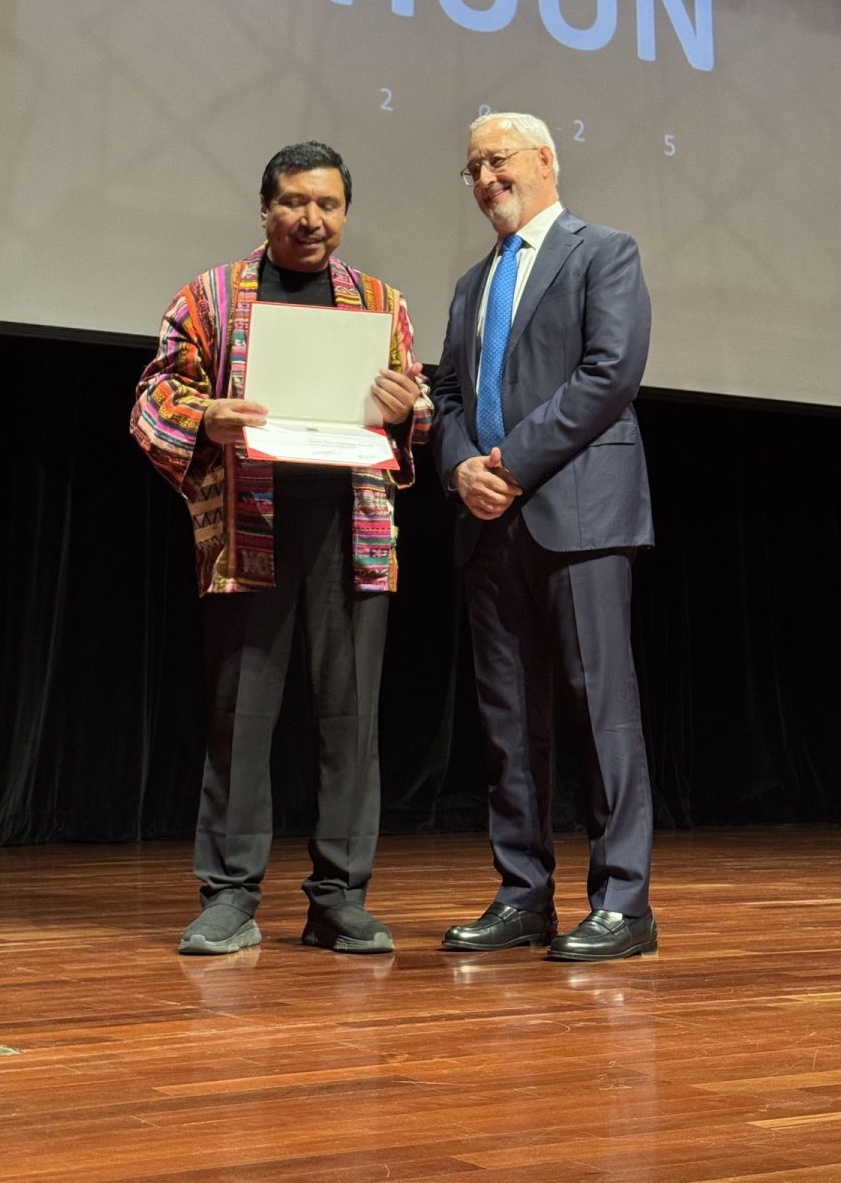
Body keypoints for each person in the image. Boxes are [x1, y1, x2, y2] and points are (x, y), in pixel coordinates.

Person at [131, 141, 431, 957]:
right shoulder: (212, 295)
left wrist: (408, 408)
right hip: (249, 521)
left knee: (351, 716)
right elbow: (157, 391)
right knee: (241, 712)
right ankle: (229, 894)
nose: (312, 219)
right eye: (295, 202)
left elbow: (414, 413)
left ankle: (340, 897)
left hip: (350, 524)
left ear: (344, 214)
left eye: (328, 205)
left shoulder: (378, 301)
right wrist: (206, 417)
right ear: (265, 208)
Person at [431, 112, 656, 962]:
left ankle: (624, 905)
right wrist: (460, 471)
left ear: (545, 160)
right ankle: (523, 895)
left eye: (498, 160)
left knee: (601, 708)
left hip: (580, 510)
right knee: (507, 719)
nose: (487, 178)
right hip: (488, 521)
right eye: (473, 168)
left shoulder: (606, 251)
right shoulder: (469, 285)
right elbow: (447, 392)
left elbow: (610, 373)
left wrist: (509, 466)